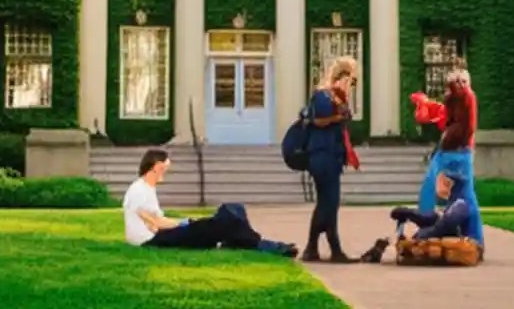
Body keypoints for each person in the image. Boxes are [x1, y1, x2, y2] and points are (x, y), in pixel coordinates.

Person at [122, 149, 297, 256]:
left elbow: (158, 221)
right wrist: (184, 223)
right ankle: (268, 246)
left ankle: (238, 241)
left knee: (233, 210)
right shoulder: (139, 190)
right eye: (164, 169)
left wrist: (185, 222)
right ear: (155, 167)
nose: (165, 173)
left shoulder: (146, 188)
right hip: (152, 240)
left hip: (161, 234)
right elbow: (154, 224)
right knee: (228, 220)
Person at [410, 60, 481, 246]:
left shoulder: (462, 97)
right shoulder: (463, 98)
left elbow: (461, 126)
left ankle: (427, 231)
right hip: (461, 151)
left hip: (454, 151)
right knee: (464, 195)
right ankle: (474, 239)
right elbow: (452, 121)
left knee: (431, 189)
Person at [303, 56, 362, 263]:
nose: (352, 85)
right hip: (321, 155)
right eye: (352, 80)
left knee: (328, 203)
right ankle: (318, 248)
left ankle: (322, 249)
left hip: (333, 156)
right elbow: (317, 121)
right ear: (342, 76)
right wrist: (338, 118)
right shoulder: (322, 96)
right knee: (328, 203)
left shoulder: (339, 98)